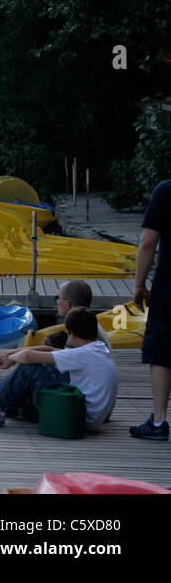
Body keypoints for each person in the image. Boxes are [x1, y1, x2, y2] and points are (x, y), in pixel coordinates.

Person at [0, 308, 116, 431]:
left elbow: (28, 357)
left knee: (33, 368)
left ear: (71, 334)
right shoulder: (97, 349)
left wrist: (12, 359)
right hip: (85, 417)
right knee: (18, 404)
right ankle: (2, 407)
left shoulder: (84, 353)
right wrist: (13, 352)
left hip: (78, 420)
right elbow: (55, 352)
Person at [132, 178, 171, 440]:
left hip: (170, 286)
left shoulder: (166, 190)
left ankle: (158, 422)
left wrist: (139, 283)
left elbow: (148, 243)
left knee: (162, 351)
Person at [45, 280, 109, 348]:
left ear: (67, 304)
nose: (57, 301)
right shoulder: (91, 325)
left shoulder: (79, 332)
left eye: (57, 297)